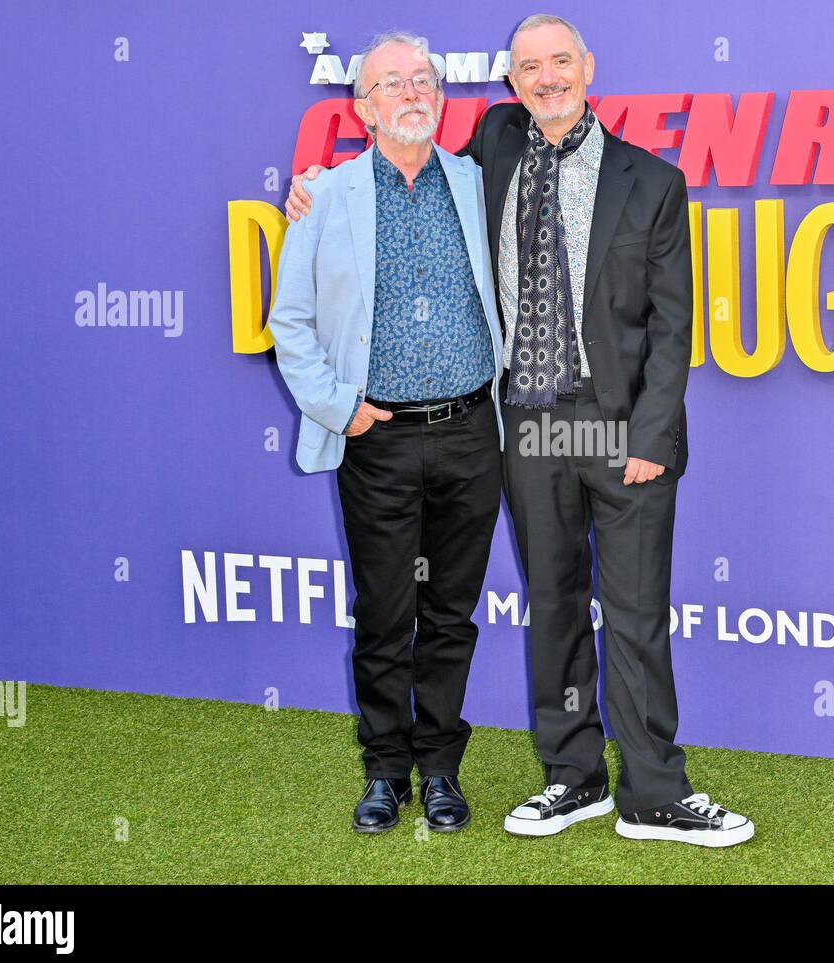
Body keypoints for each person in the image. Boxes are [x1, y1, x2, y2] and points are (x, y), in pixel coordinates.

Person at [289, 15, 752, 847]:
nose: (546, 79)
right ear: (510, 84)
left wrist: (650, 436)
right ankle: (572, 778)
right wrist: (311, 182)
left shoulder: (652, 181)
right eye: (529, 67)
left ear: (588, 68)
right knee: (554, 605)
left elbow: (674, 329)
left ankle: (654, 790)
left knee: (638, 612)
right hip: (529, 428)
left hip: (620, 433)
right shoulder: (495, 148)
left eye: (560, 63)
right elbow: (386, 161)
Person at [270, 31, 505, 835]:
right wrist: (342, 407)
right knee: (384, 612)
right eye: (391, 83)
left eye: (422, 80)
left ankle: (440, 770)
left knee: (450, 614)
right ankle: (385, 772)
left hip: (474, 432)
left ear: (440, 98)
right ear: (362, 107)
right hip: (379, 441)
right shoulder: (324, 196)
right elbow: (290, 323)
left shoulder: (479, 185)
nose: (411, 92)